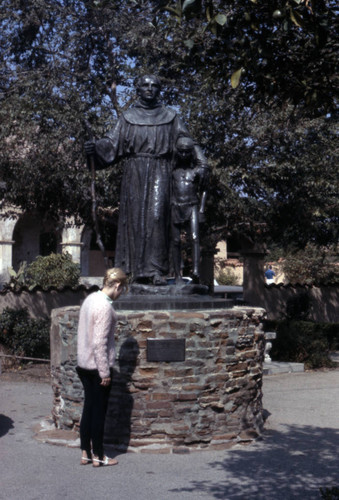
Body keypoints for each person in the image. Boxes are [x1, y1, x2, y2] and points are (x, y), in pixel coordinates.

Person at [85, 74, 208, 285]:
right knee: (134, 220)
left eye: (154, 85)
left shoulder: (171, 116)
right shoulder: (127, 117)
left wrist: (202, 162)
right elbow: (111, 143)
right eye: (145, 85)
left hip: (162, 170)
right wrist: (94, 148)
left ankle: (156, 271)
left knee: (157, 219)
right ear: (138, 89)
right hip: (134, 173)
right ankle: (135, 272)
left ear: (159, 90)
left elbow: (187, 140)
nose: (149, 89)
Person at [76, 267, 128, 467]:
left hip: (83, 364)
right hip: (98, 367)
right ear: (117, 285)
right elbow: (99, 342)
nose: (121, 293)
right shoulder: (105, 307)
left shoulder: (90, 299)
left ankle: (85, 453)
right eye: (122, 289)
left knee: (88, 409)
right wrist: (105, 372)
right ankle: (98, 455)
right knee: (98, 412)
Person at [171, 137, 207, 283]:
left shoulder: (198, 171)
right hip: (175, 206)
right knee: (175, 241)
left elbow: (204, 190)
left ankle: (196, 271)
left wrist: (202, 210)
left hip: (192, 205)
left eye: (187, 152)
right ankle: (177, 275)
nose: (184, 155)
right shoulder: (172, 172)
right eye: (181, 152)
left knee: (194, 238)